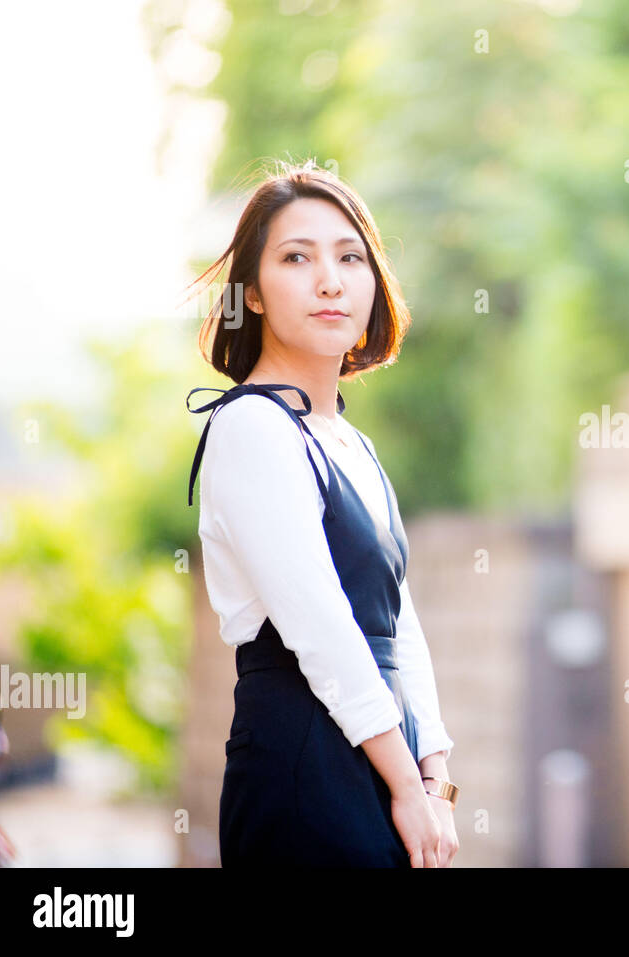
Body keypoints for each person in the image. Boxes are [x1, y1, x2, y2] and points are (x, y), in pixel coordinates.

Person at [184, 160, 459, 867]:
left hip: (380, 758)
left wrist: (435, 777)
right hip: (304, 767)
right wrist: (405, 784)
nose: (330, 280)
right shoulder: (252, 428)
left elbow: (400, 623)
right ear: (253, 292)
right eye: (296, 257)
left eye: (350, 257)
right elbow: (319, 625)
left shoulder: (349, 442)